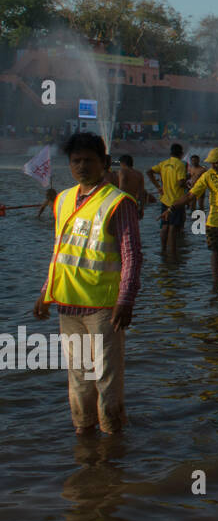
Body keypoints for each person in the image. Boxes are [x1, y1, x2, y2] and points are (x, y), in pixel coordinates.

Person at [33, 132, 142, 435]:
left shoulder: (118, 202)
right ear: (69, 164)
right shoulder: (64, 199)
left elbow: (132, 255)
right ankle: (84, 435)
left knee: (107, 378)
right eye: (76, 161)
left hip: (104, 307)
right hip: (68, 305)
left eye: (89, 161)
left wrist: (126, 300)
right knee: (79, 377)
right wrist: (45, 292)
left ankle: (112, 441)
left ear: (104, 163)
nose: (82, 166)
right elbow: (60, 251)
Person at [170, 148, 218, 290]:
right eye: (211, 163)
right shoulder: (208, 175)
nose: (212, 166)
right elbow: (191, 195)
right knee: (216, 252)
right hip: (215, 221)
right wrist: (172, 208)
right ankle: (216, 283)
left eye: (215, 163)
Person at [148, 143, 187, 257]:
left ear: (171, 153)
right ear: (181, 153)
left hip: (165, 199)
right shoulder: (180, 164)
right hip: (176, 201)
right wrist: (187, 181)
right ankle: (173, 253)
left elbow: (149, 171)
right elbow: (180, 183)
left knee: (164, 226)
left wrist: (158, 187)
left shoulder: (164, 163)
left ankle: (163, 250)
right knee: (173, 227)